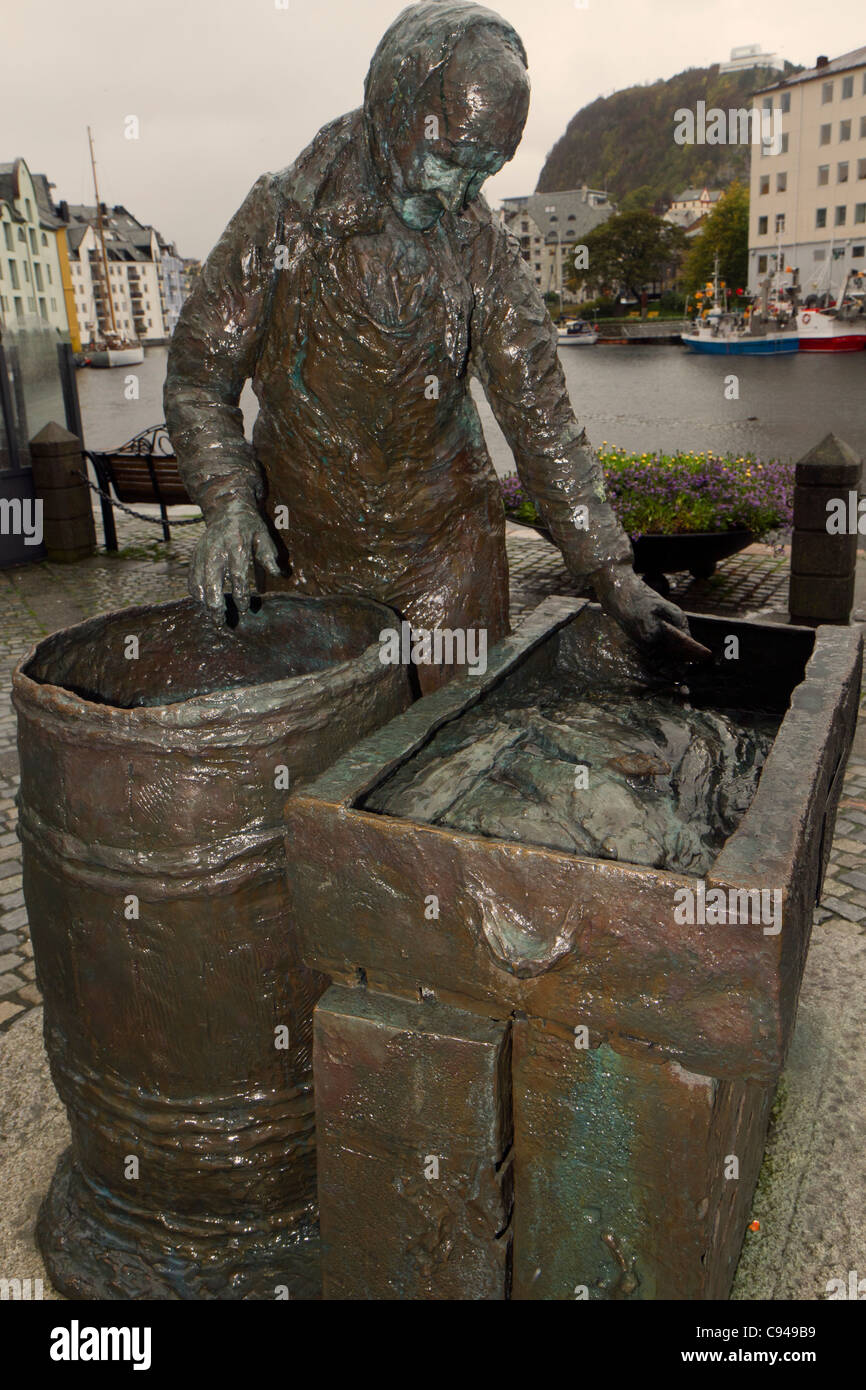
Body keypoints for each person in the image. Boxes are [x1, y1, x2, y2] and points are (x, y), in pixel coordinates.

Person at [165, 0, 697, 693]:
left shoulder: (484, 248)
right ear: (397, 102)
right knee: (331, 754)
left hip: (447, 551)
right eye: (448, 158)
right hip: (306, 551)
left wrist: (610, 571)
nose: (456, 193)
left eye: (481, 172)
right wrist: (230, 504)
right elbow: (198, 381)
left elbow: (541, 419)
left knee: (445, 747)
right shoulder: (282, 216)